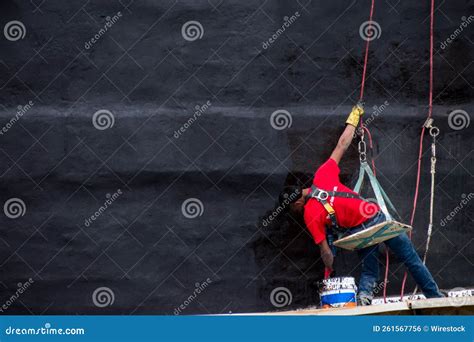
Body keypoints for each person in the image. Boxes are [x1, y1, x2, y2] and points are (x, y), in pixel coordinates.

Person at [280, 104, 442, 305]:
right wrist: (353, 118)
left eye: (293, 209)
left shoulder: (309, 214)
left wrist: (329, 267)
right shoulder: (323, 175)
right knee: (411, 259)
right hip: (376, 219)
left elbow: (325, 251)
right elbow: (342, 144)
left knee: (369, 269)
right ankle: (435, 298)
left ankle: (365, 298)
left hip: (360, 232)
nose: (295, 212)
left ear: (297, 202)